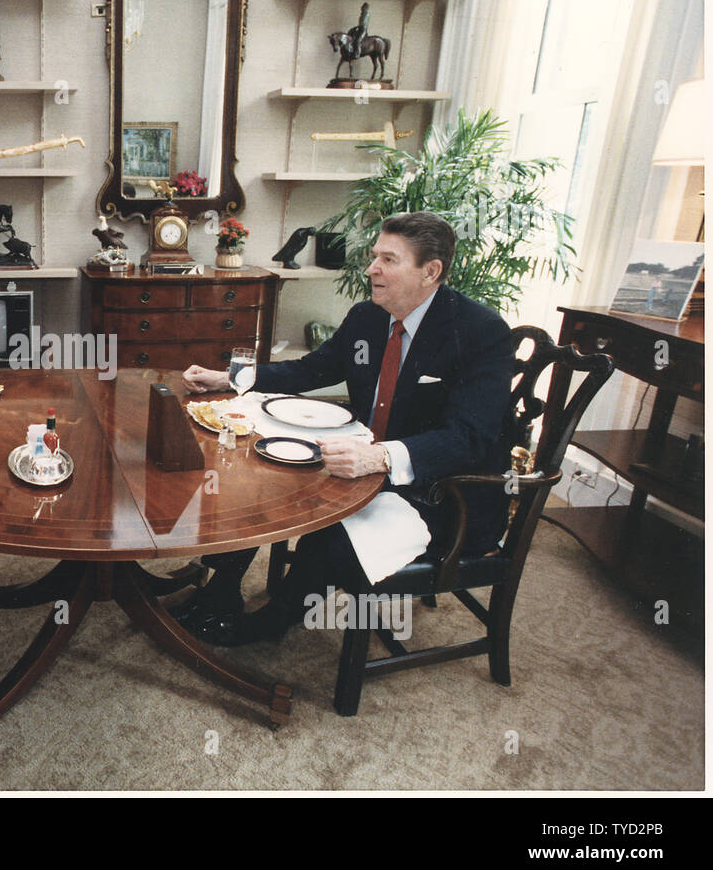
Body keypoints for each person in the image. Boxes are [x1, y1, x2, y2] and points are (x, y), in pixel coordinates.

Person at [178, 211, 514, 646]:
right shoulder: (367, 317)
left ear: (431, 272)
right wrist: (230, 377)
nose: (372, 268)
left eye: (388, 260)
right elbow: (313, 368)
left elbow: (469, 437)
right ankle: (221, 591)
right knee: (257, 476)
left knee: (331, 534)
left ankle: (272, 623)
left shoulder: (481, 332)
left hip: (445, 494)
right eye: (375, 256)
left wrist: (380, 456)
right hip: (364, 463)